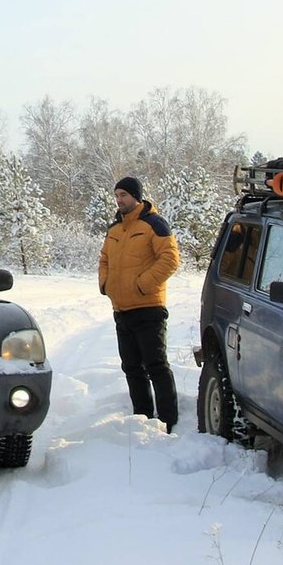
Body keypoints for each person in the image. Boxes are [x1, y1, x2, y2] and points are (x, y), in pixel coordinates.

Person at [98, 176, 181, 431]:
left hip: (148, 308)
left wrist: (142, 285)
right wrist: (106, 285)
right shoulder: (114, 229)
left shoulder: (154, 224)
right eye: (116, 195)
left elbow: (170, 259)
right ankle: (142, 418)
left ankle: (167, 420)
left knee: (156, 366)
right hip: (121, 310)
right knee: (131, 367)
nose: (119, 200)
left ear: (136, 196)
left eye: (123, 194)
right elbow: (104, 259)